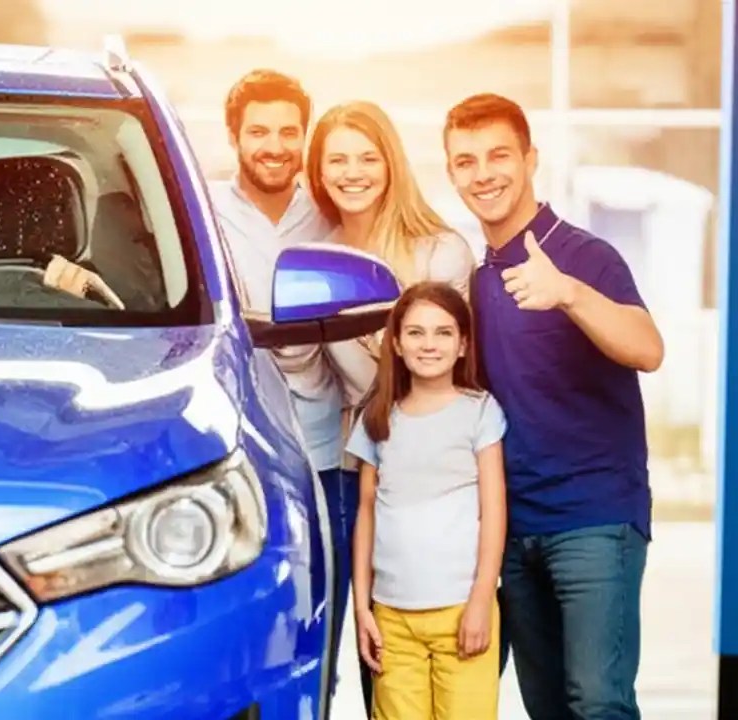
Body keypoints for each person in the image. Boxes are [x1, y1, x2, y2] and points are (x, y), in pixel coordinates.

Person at [442, 92, 665, 719]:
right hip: (516, 530)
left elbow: (648, 349)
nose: (483, 173)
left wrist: (567, 294)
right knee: (548, 709)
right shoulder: (476, 278)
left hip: (595, 518)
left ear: (531, 158)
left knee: (597, 703)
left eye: (498, 155)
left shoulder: (585, 257)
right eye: (465, 161)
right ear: (452, 173)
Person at [303, 99, 513, 712]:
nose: (353, 171)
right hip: (366, 467)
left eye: (368, 157)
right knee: (384, 672)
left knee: (459, 675)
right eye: (337, 159)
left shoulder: (439, 251)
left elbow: (440, 368)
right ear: (318, 171)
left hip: (444, 476)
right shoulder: (318, 263)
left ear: (392, 164)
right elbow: (331, 382)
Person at [203, 69, 363, 708]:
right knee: (238, 641)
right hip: (235, 456)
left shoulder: (333, 213)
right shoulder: (204, 211)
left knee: (321, 638)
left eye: (289, 131)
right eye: (259, 131)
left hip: (325, 459)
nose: (275, 145)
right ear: (235, 136)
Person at [345, 280, 508, 720]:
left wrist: (480, 600)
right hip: (393, 619)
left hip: (461, 610)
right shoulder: (378, 416)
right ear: (396, 343)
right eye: (416, 332)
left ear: (462, 345)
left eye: (443, 332)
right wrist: (363, 608)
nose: (429, 344)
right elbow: (366, 514)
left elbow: (493, 512)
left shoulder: (479, 411)